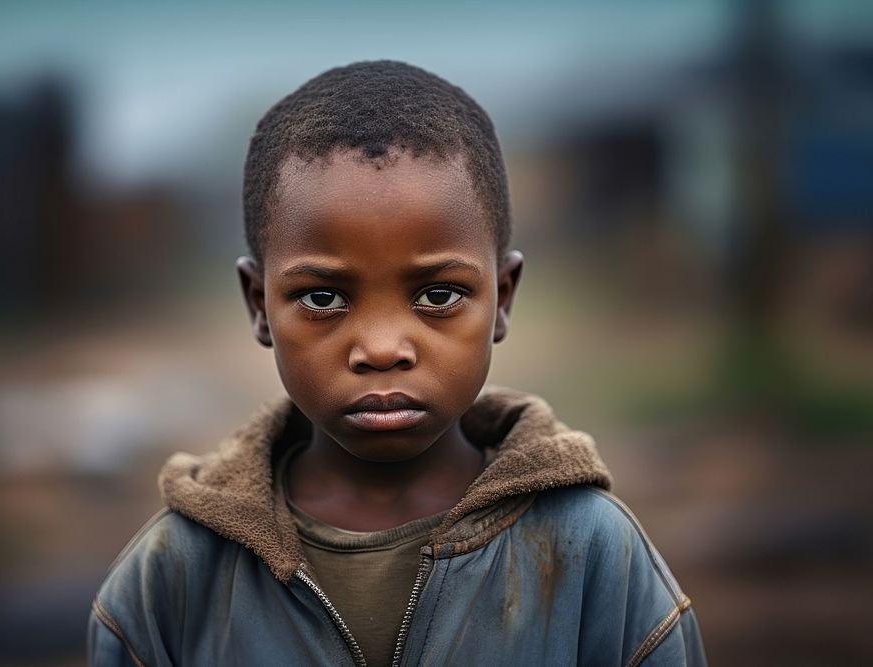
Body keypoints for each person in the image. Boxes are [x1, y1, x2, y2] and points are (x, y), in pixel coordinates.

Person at [88, 60, 707, 666]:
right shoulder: (170, 579)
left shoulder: (593, 554)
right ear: (259, 306)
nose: (382, 348)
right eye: (323, 298)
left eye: (438, 295)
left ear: (502, 298)